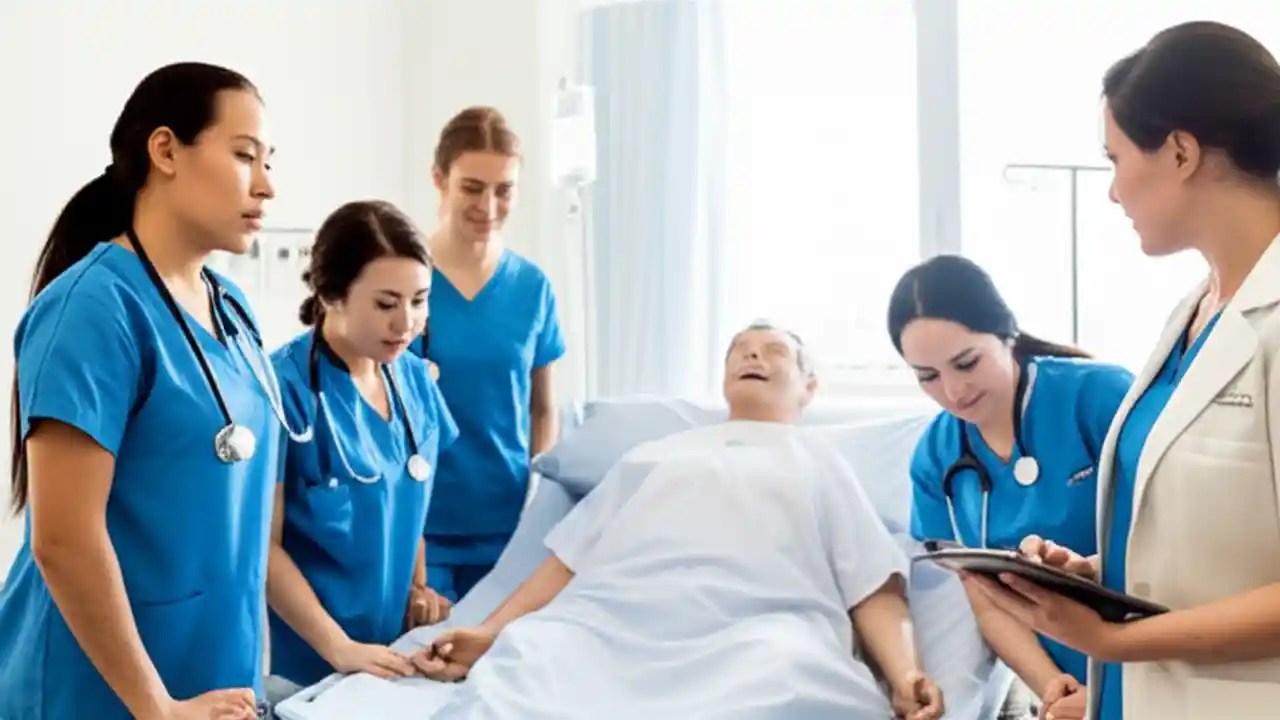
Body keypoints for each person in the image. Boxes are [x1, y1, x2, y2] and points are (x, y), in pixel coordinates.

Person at [966, 21, 1280, 720]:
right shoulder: (1197, 311)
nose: (1112, 192)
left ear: (1180, 152)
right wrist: (1095, 578)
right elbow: (1209, 545)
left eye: (1115, 159)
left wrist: (1111, 640)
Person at [412, 322, 947, 720]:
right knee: (533, 658)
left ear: (809, 387)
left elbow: (871, 585)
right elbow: (567, 561)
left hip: (759, 628)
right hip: (610, 622)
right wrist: (489, 632)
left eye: (774, 350)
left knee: (787, 674)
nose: (753, 354)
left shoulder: (821, 460)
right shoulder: (653, 454)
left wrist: (905, 675)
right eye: (741, 349)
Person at [0, 63, 285, 720]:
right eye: (245, 156)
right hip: (98, 693)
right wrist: (155, 706)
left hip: (211, 677)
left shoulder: (231, 308)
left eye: (269, 162)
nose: (267, 186)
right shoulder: (91, 309)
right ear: (165, 151)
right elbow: (63, 540)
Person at [887, 255, 1133, 719]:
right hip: (1062, 687)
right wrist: (1052, 687)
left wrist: (1114, 692)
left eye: (966, 363)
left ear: (1007, 334)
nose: (953, 391)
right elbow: (988, 603)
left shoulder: (1100, 397)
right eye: (928, 376)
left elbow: (1176, 539)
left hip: (1156, 657)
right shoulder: (936, 457)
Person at [266, 200, 460, 689]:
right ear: (331, 294)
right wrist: (339, 647)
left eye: (419, 300)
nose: (406, 323)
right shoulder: (283, 391)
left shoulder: (415, 380)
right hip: (308, 668)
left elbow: (409, 495)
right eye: (386, 304)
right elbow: (263, 550)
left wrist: (418, 589)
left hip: (393, 657)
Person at [414, 107, 566, 603]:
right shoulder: (405, 283)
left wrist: (537, 496)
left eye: (504, 190)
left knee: (498, 646)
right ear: (440, 180)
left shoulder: (532, 288)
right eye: (472, 187)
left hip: (508, 525)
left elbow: (543, 408)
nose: (489, 205)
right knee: (422, 646)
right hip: (420, 526)